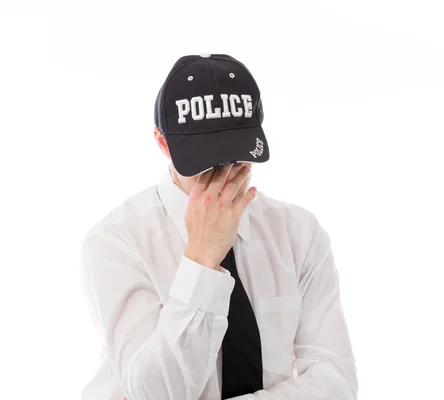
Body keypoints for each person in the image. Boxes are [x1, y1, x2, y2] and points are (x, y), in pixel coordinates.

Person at [79, 54, 358, 400]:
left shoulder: (299, 234)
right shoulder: (116, 243)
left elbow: (335, 382)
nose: (224, 171)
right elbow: (154, 393)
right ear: (163, 143)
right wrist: (202, 258)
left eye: (236, 152)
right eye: (205, 158)